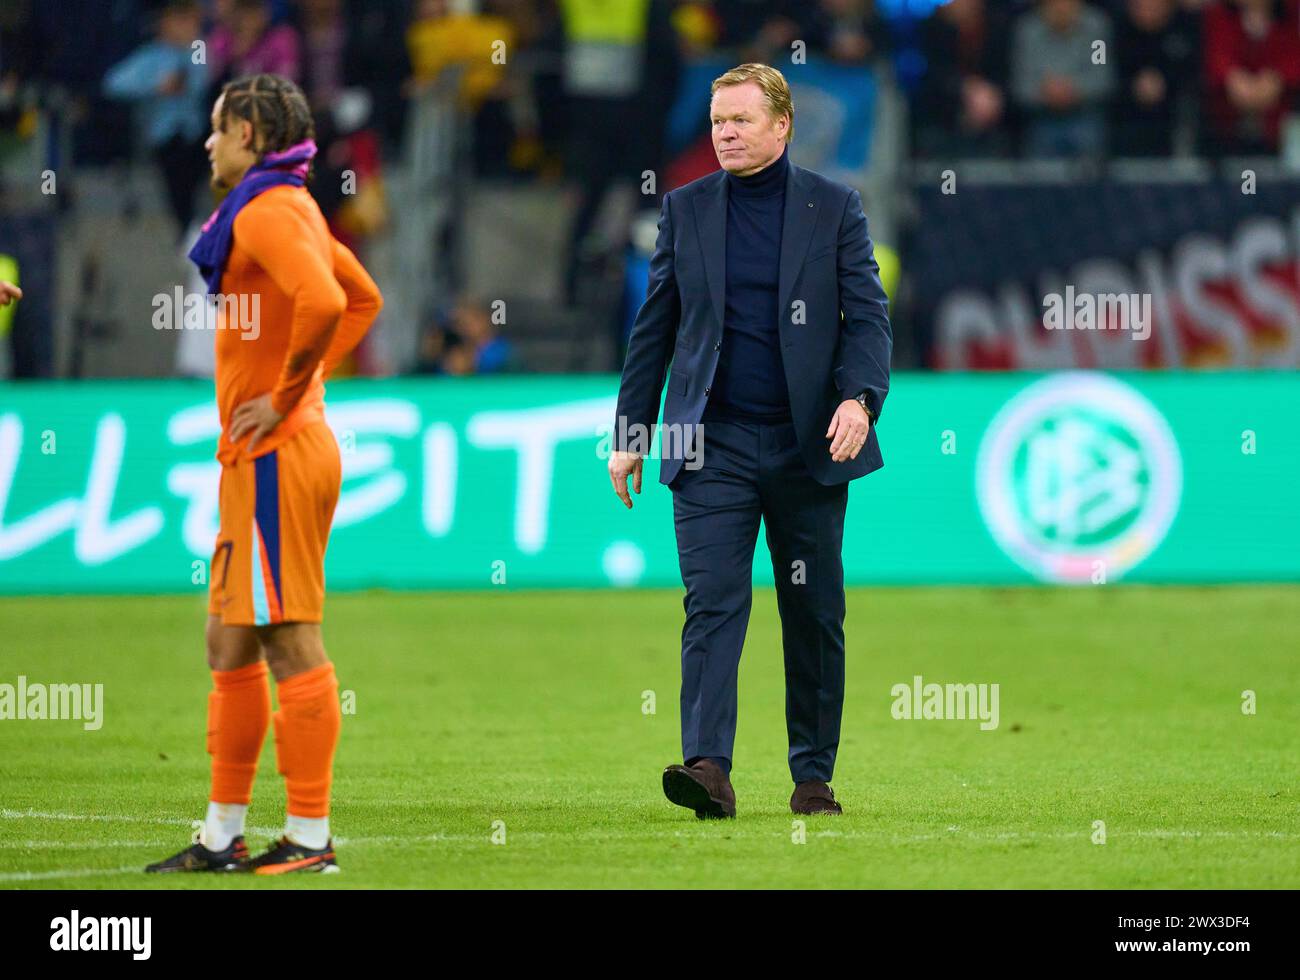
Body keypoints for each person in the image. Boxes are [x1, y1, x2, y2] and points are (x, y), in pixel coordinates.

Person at [608, 63, 891, 819]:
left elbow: (867, 319)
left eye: (739, 120)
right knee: (712, 603)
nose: (725, 134)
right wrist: (631, 433)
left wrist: (861, 400)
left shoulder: (834, 208)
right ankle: (708, 769)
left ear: (782, 125)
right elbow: (655, 329)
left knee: (814, 614)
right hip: (711, 446)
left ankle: (813, 777)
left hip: (807, 449)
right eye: (716, 121)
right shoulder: (687, 209)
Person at [145, 74, 382, 874]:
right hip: (261, 457)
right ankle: (220, 835)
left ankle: (311, 838)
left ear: (247, 130)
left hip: (281, 453)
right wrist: (299, 389)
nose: (207, 141)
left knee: (288, 637)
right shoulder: (289, 203)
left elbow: (324, 301)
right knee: (229, 638)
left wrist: (286, 396)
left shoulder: (270, 208)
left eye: (217, 127)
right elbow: (363, 298)